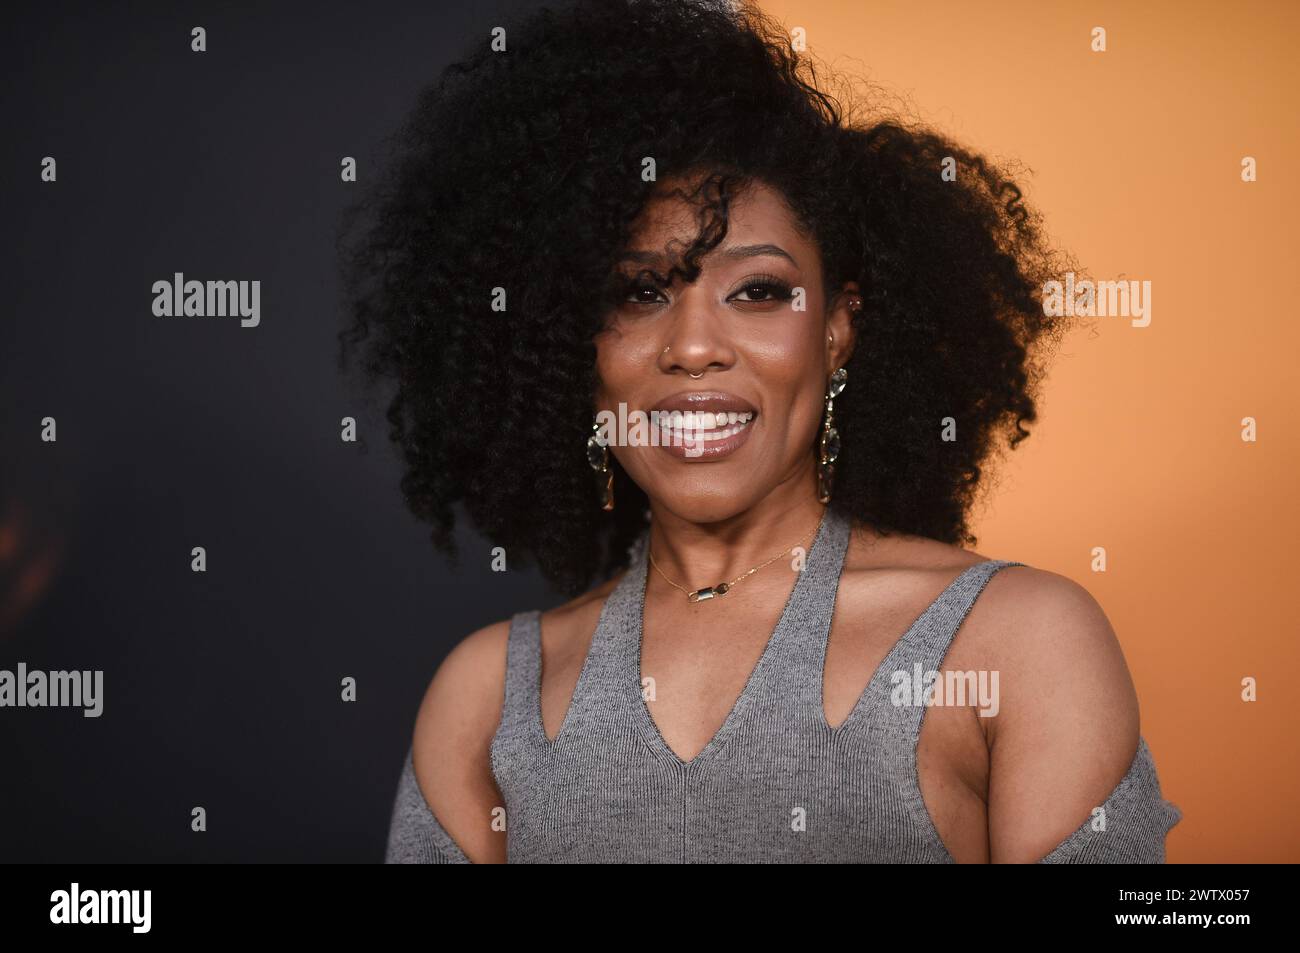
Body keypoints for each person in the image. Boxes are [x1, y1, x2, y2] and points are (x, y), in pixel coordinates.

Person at [339, 0, 1182, 863]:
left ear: (838, 331)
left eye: (759, 292)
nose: (695, 346)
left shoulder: (1017, 641)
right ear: (569, 350)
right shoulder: (487, 697)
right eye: (639, 292)